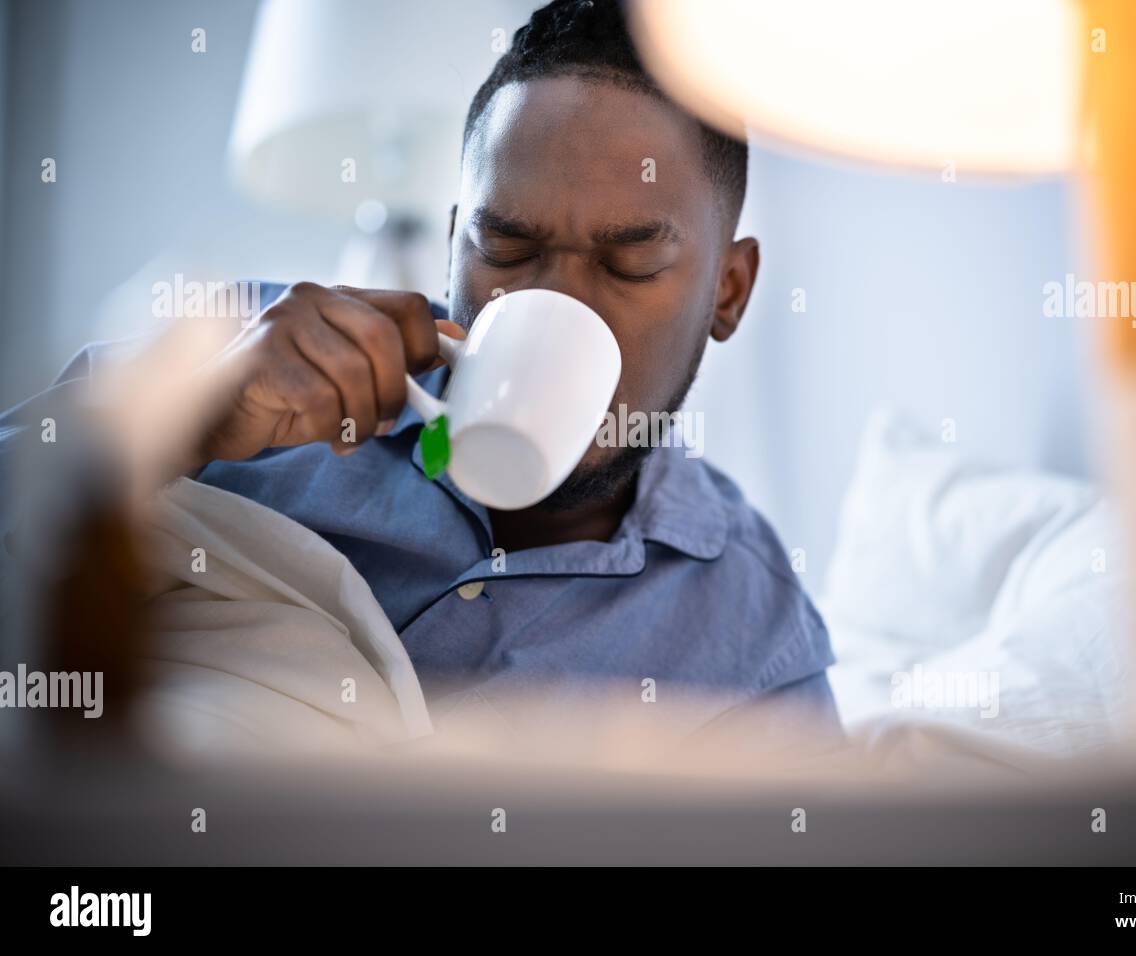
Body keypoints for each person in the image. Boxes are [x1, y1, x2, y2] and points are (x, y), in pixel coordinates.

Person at [0, 0, 843, 753]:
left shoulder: (755, 640)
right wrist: (183, 430)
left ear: (727, 292)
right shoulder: (249, 358)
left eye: (628, 264)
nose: (553, 300)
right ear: (452, 246)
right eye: (506, 250)